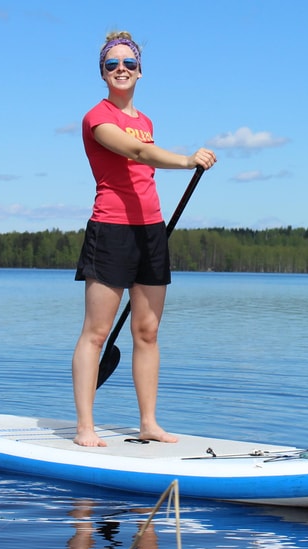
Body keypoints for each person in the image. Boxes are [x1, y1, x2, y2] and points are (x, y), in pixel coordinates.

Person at [72, 31, 217, 447]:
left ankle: (149, 423)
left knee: (148, 331)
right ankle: (85, 427)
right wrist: (187, 160)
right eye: (112, 64)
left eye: (128, 63)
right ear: (102, 73)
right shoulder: (96, 118)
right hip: (111, 229)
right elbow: (137, 155)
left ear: (140, 71)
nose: (121, 69)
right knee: (96, 333)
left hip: (151, 231)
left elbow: (144, 160)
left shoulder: (146, 122)